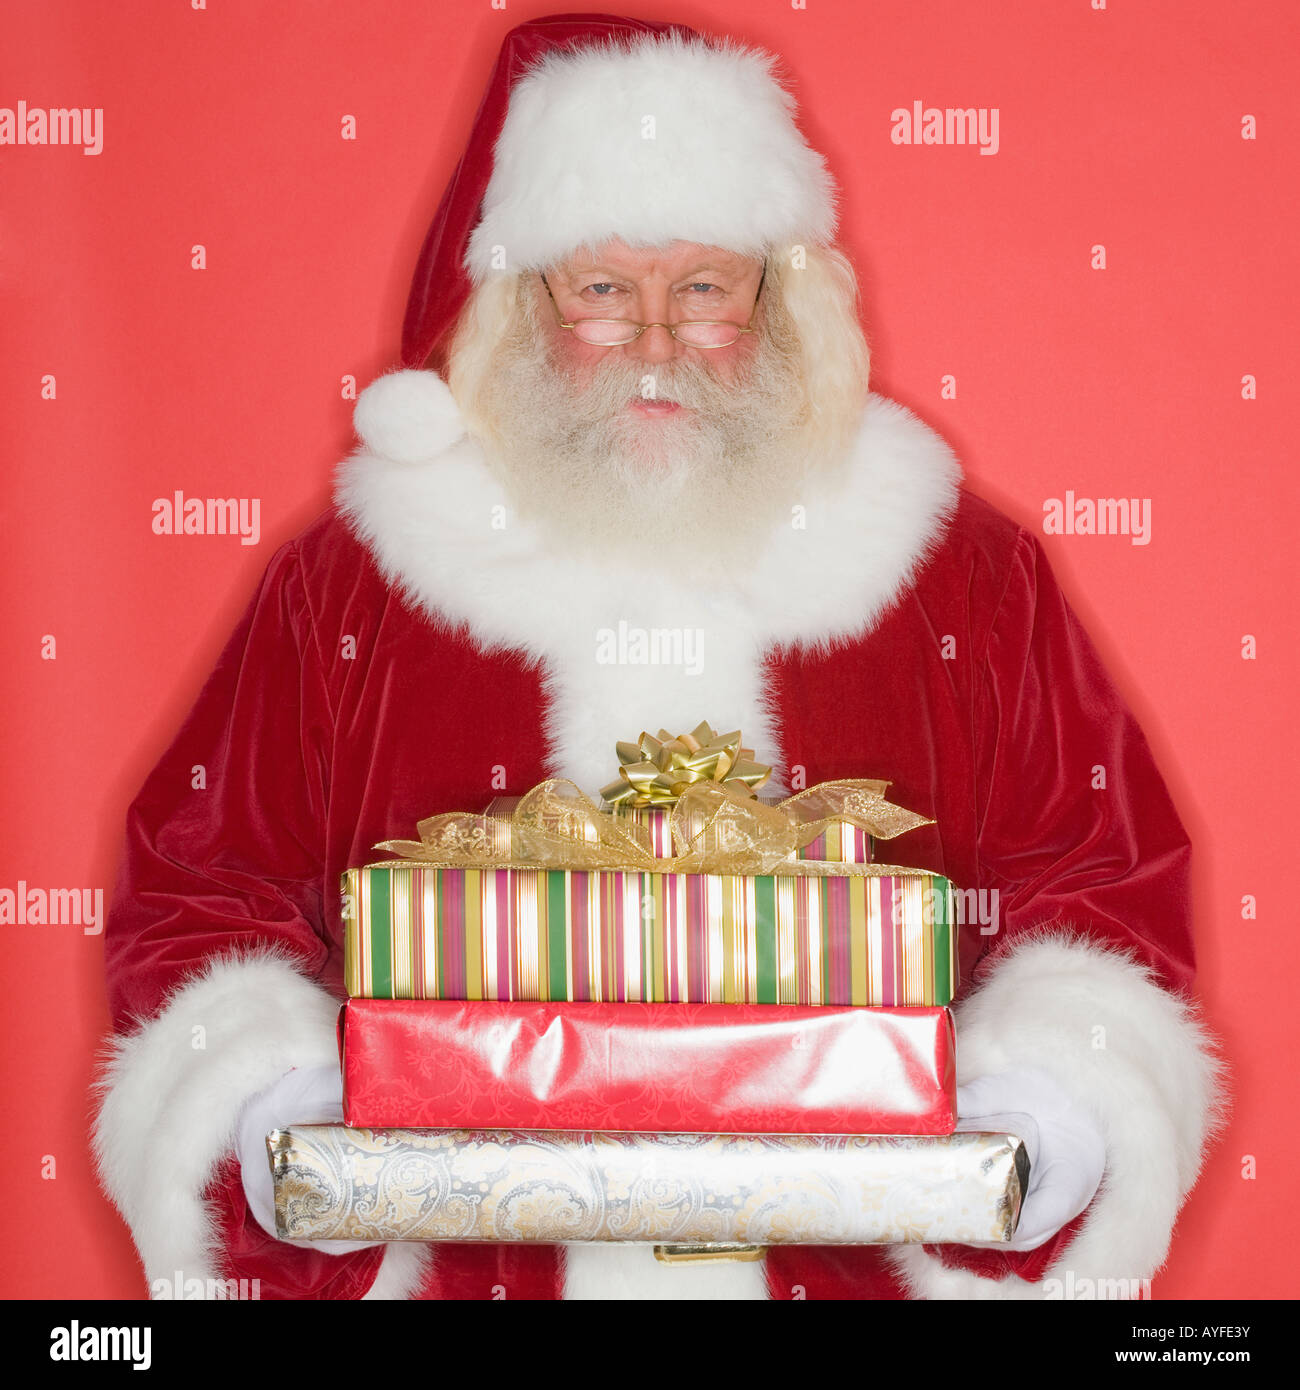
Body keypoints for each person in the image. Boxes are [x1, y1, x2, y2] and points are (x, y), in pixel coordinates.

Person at [92, 15, 1225, 1301]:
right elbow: (202, 880)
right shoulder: (355, 580)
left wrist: (1051, 1104)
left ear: (776, 296)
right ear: (523, 299)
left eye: (702, 289)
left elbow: (1095, 870)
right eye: (600, 289)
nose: (651, 344)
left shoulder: (953, 570)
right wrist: (283, 1105)